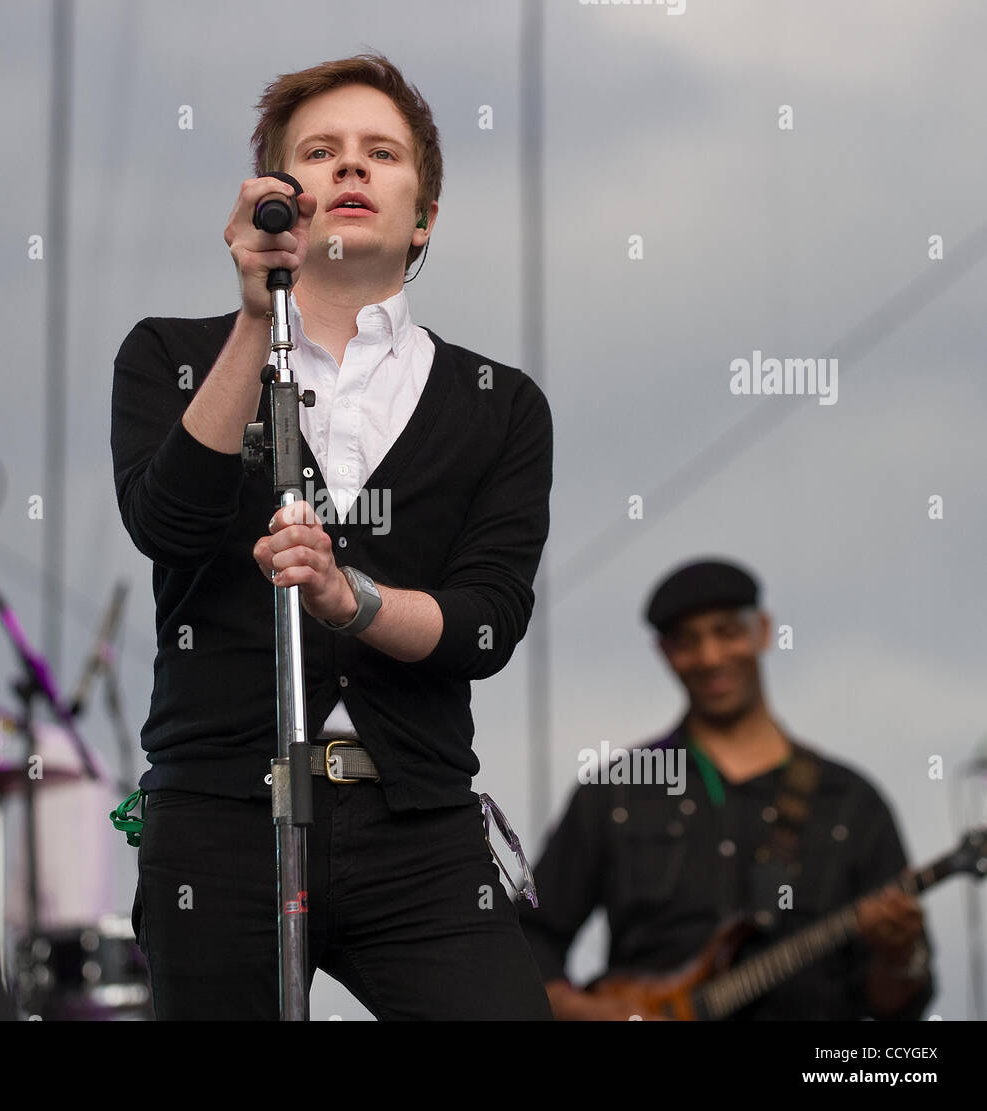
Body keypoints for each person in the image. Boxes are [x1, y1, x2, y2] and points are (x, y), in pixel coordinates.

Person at [111, 52, 553, 1019]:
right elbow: (167, 522)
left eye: (381, 153)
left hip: (417, 823)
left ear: (424, 213)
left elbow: (488, 623)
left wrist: (351, 601)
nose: (351, 170)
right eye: (321, 152)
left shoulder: (499, 403)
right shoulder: (169, 354)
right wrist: (249, 315)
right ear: (276, 197)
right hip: (223, 817)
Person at [519, 558, 934, 1020]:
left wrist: (899, 954)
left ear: (762, 630)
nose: (711, 657)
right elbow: (528, 934)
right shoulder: (617, 791)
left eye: (727, 632)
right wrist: (582, 1010)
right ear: (664, 653)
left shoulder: (852, 802)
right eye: (687, 642)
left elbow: (901, 1004)